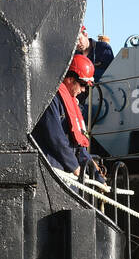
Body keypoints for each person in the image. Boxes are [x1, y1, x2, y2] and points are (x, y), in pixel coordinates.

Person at [34, 54, 106, 184]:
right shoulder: (51, 99)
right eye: (83, 84)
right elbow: (55, 138)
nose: (84, 90)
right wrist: (75, 167)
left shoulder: (72, 104)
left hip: (66, 172)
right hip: (52, 170)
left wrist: (98, 178)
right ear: (69, 79)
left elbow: (79, 148)